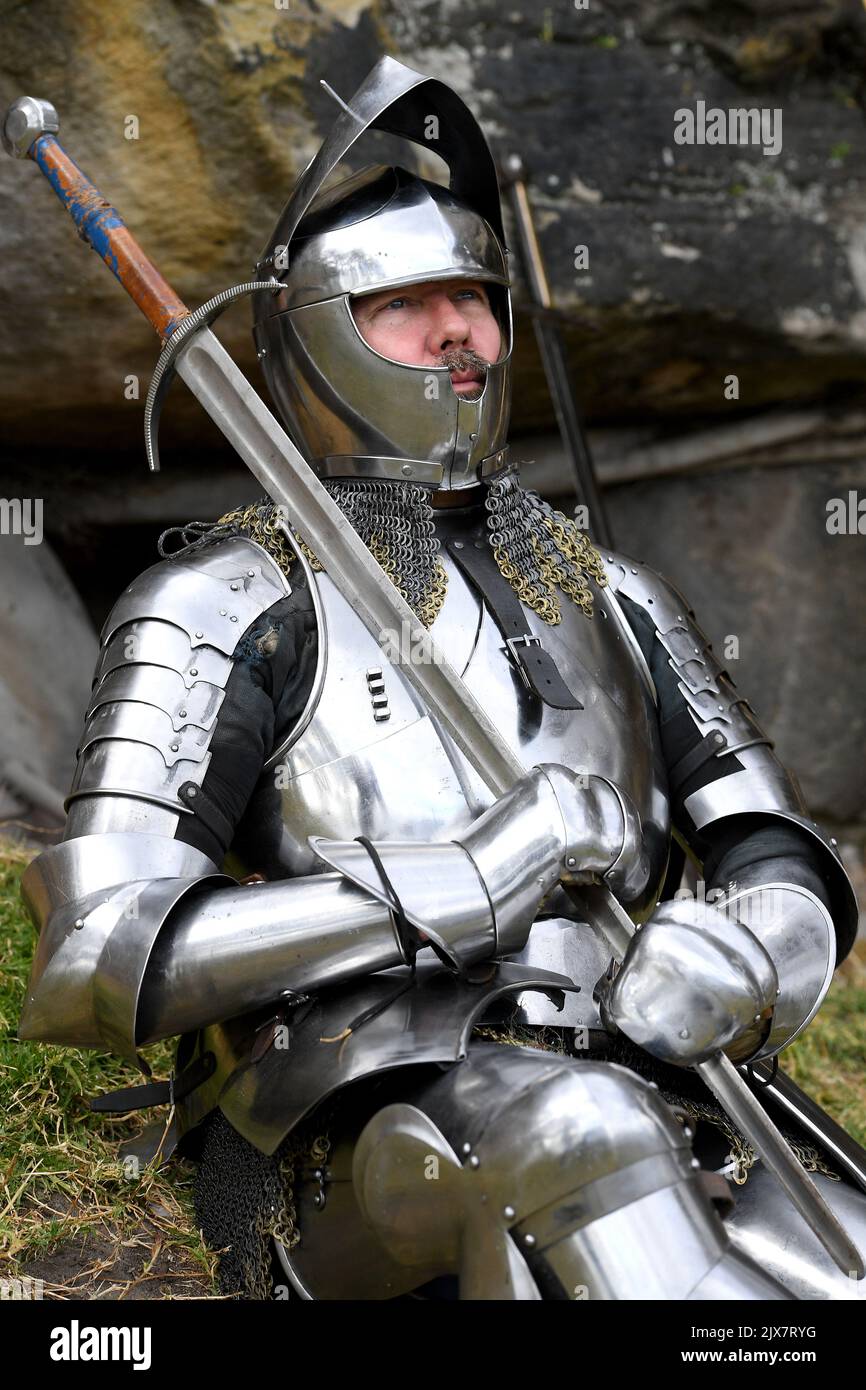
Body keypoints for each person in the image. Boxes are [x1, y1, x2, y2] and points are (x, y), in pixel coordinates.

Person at [17, 56, 864, 1301]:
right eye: (405, 303)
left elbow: (773, 845)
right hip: (351, 1115)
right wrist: (467, 876)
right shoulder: (228, 600)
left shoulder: (611, 591)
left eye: (473, 293)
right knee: (578, 1138)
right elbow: (94, 956)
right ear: (314, 334)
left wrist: (752, 964)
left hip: (664, 1082)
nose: (457, 329)